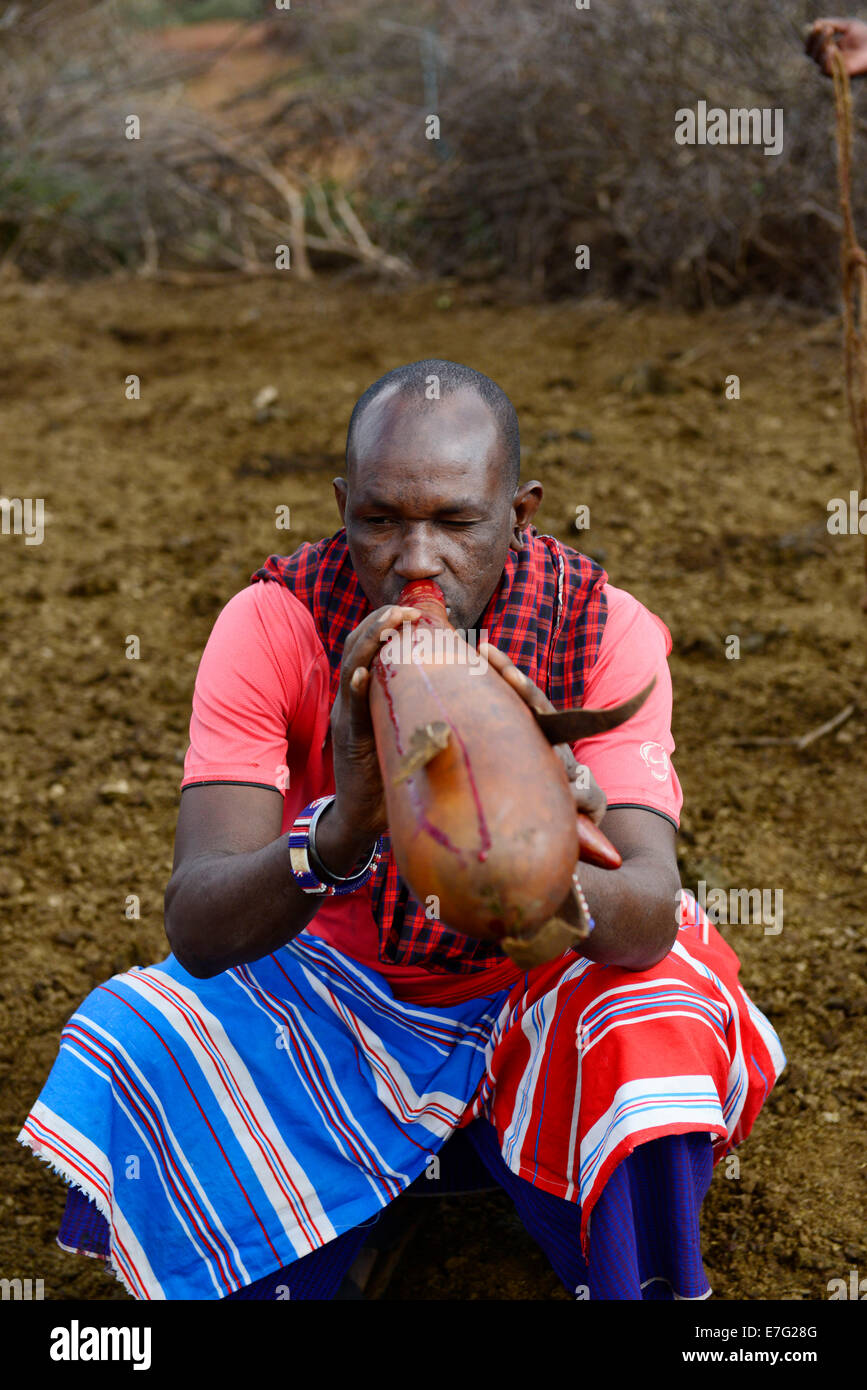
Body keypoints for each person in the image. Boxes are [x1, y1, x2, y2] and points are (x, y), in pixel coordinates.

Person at [19, 360, 784, 1301]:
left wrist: (530, 846)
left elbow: (646, 916)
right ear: (341, 506)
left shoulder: (602, 629)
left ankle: (641, 1284)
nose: (417, 560)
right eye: (380, 521)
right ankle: (340, 1218)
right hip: (338, 988)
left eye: (458, 523)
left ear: (521, 511)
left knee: (654, 1007)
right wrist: (339, 832)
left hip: (531, 992)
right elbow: (198, 926)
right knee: (141, 1031)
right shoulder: (273, 624)